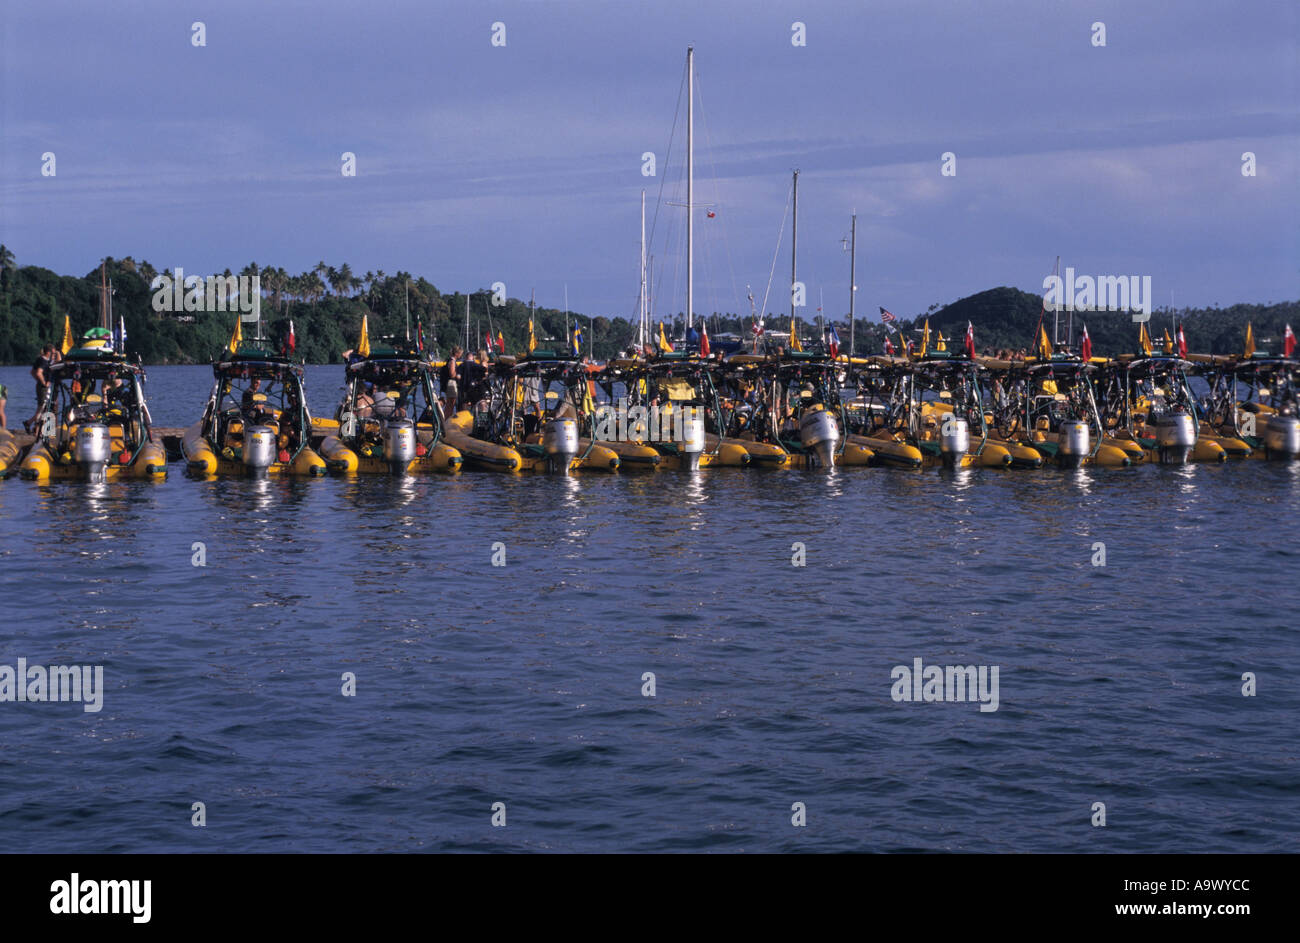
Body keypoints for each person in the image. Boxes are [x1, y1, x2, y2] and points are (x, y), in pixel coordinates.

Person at [439, 347, 462, 412]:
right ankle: (447, 419)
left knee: (450, 404)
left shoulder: (450, 360)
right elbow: (452, 374)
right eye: (460, 354)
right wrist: (458, 375)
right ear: (457, 354)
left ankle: (446, 418)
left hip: (448, 384)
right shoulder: (452, 361)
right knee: (451, 404)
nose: (460, 355)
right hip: (451, 385)